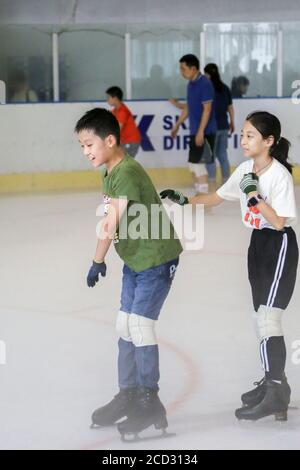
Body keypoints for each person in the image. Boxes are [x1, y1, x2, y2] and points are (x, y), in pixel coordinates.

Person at [160, 111, 298, 421]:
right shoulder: (245, 169)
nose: (243, 139)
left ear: (269, 141)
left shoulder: (279, 176)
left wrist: (252, 194)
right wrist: (184, 201)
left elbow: (278, 222)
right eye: (244, 133)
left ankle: (275, 391)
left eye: (250, 135)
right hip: (258, 246)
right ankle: (275, 382)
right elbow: (217, 197)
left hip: (279, 246)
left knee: (268, 319)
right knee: (259, 318)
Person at [75, 108, 182, 436]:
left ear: (110, 140)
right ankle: (129, 394)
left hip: (156, 260)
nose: (86, 151)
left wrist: (97, 260)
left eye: (90, 144)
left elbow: (111, 223)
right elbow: (110, 216)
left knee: (140, 325)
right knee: (124, 325)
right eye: (81, 146)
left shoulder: (127, 172)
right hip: (136, 260)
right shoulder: (109, 172)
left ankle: (150, 400)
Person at [171, 54, 217, 194]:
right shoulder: (191, 84)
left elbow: (207, 109)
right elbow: (189, 108)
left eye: (183, 69)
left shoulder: (205, 84)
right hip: (195, 131)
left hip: (205, 132)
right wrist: (177, 124)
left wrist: (200, 131)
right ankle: (201, 196)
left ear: (193, 68)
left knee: (198, 165)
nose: (181, 72)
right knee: (192, 165)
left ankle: (204, 200)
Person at [204, 63, 235, 185]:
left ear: (207, 74)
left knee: (210, 156)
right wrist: (232, 122)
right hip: (224, 126)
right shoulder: (225, 88)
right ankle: (226, 181)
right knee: (222, 154)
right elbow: (230, 107)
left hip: (211, 128)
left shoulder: (206, 89)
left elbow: (205, 109)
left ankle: (211, 181)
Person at [106, 86, 141, 158]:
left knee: (122, 163)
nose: (107, 100)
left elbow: (117, 129)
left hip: (131, 142)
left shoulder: (123, 111)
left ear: (115, 98)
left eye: (109, 97)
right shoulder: (116, 110)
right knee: (120, 163)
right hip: (126, 142)